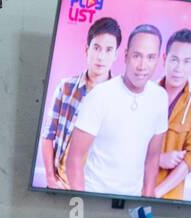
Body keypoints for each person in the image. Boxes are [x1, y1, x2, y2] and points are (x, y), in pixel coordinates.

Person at [64, 24, 169, 198]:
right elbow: (74, 159)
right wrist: (80, 209)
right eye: (137, 56)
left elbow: (153, 157)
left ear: (158, 59)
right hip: (95, 197)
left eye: (150, 57)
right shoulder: (100, 95)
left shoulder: (159, 97)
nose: (143, 65)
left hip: (131, 202)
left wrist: (147, 201)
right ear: (126, 55)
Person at [40, 17, 122, 191]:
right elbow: (48, 136)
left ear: (116, 55)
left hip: (97, 189)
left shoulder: (121, 97)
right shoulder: (66, 88)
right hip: (61, 184)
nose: (101, 56)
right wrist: (50, 179)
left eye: (108, 50)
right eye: (96, 48)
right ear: (87, 49)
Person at [153, 29, 191, 200]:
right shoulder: (148, 93)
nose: (179, 68)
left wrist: (155, 193)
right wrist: (158, 159)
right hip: (132, 188)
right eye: (174, 60)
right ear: (164, 59)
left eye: (186, 62)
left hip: (168, 198)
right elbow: (129, 146)